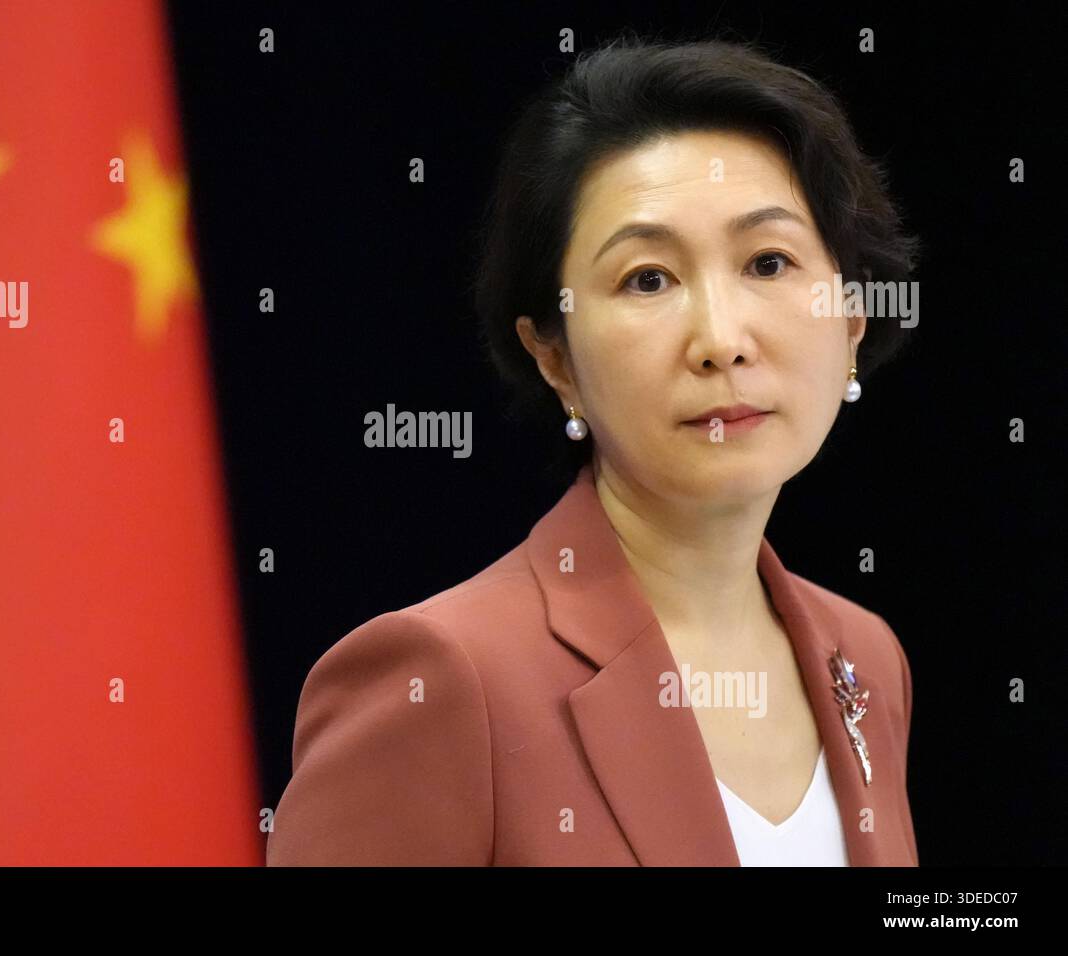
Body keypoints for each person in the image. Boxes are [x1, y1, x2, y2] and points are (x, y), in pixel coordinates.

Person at [266, 32, 921, 866]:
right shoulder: (447, 677)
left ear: (852, 321)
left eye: (768, 260)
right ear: (555, 358)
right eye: (648, 279)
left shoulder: (863, 656)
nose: (721, 340)